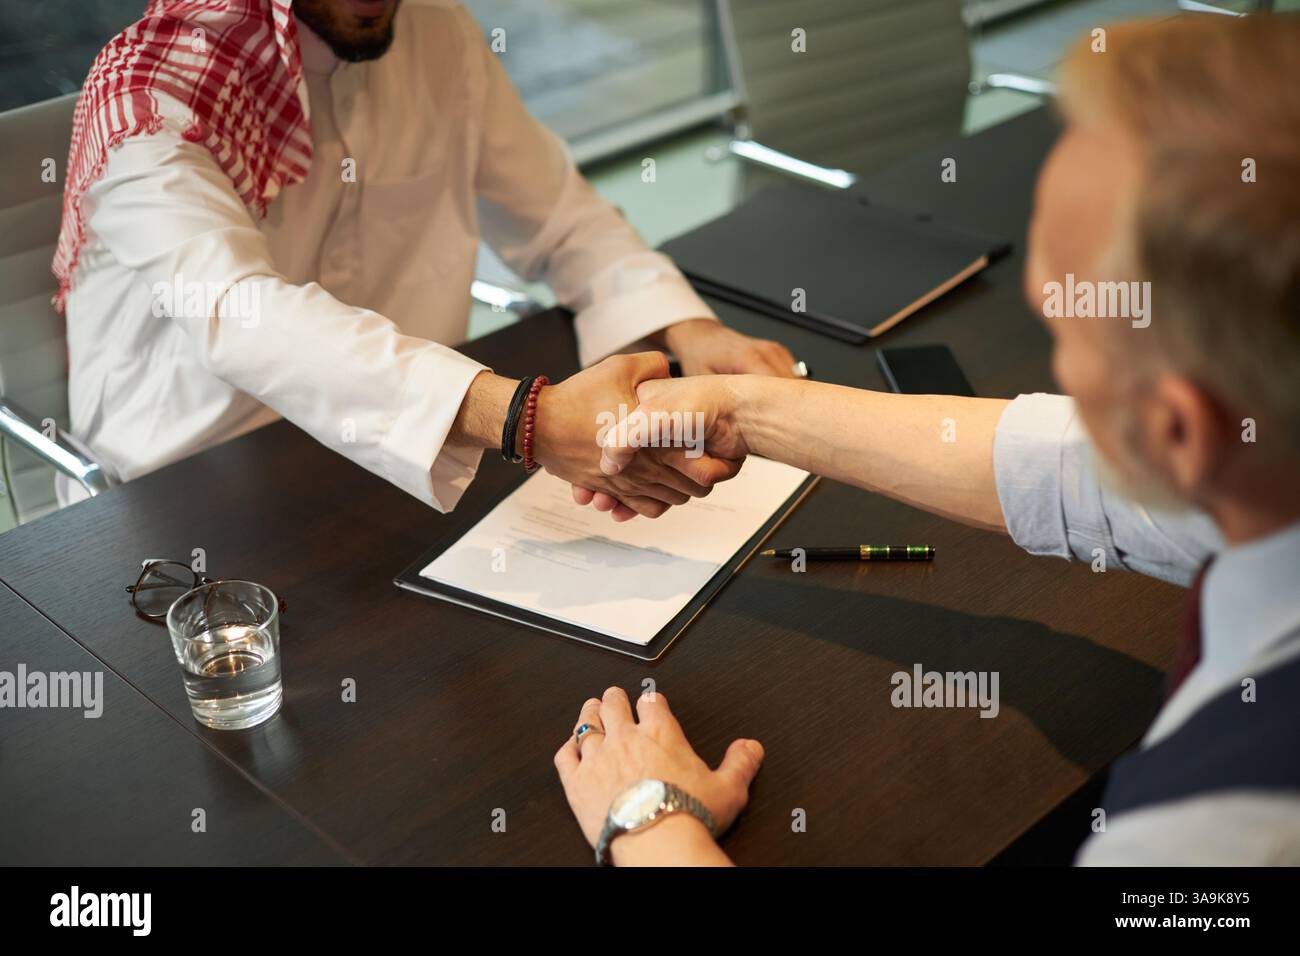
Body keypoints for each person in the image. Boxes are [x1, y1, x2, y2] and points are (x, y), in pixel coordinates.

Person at [555, 14, 1300, 865]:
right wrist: (740, 410)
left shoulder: (1209, 837)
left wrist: (649, 824)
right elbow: (1069, 473)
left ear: (1177, 430)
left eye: (1064, 330)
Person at [53, 0, 794, 519]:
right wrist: (525, 419)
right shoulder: (146, 102)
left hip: (410, 466)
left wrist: (683, 329)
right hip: (184, 495)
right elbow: (245, 314)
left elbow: (564, 223)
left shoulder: (438, 33)